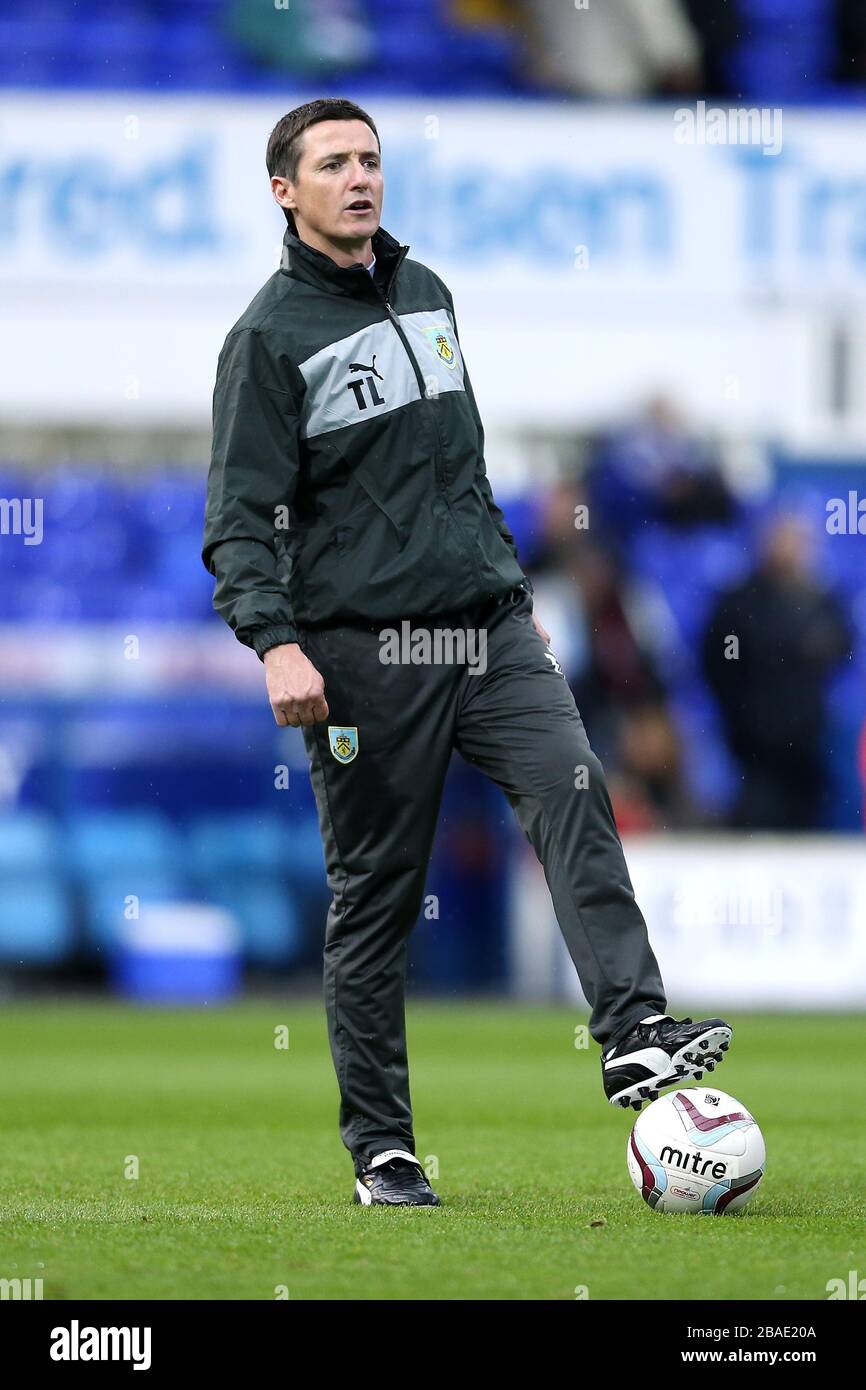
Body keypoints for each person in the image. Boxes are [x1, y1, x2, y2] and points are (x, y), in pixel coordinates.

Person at [201, 97, 732, 1207]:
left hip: (484, 629)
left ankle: (630, 1027)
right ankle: (383, 1150)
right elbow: (240, 516)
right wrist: (275, 644)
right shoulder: (265, 341)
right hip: (361, 655)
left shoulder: (427, 292)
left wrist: (504, 578)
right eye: (334, 163)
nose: (360, 178)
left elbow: (463, 467)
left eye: (371, 159)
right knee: (377, 900)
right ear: (282, 191)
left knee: (572, 782)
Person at [702, 512, 852, 831]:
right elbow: (717, 662)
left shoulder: (818, 598)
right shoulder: (740, 601)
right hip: (755, 743)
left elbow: (842, 645)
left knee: (807, 825)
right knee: (761, 823)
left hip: (807, 743)